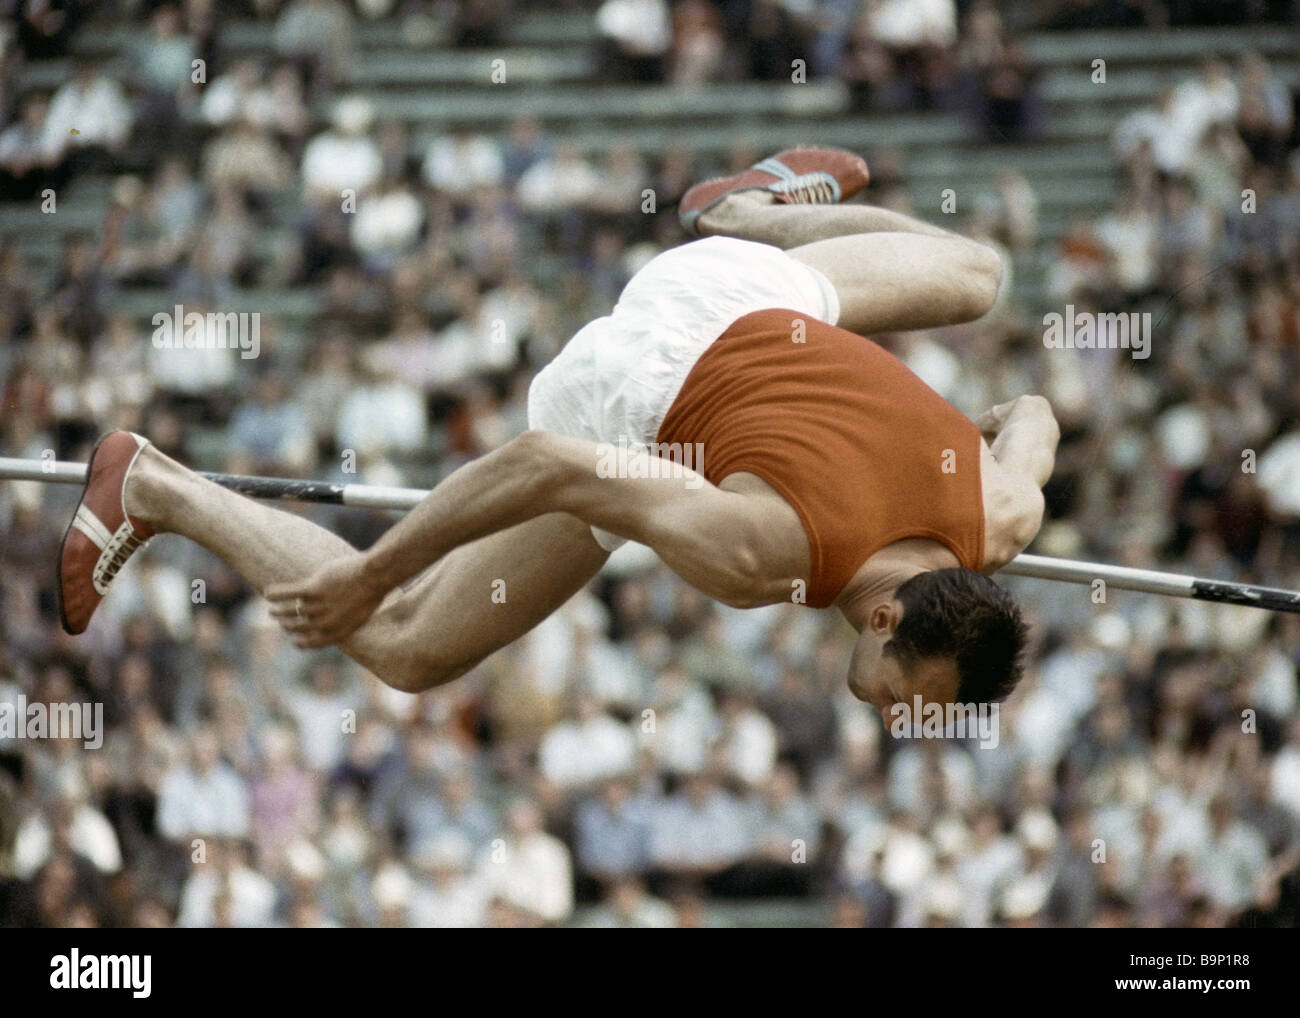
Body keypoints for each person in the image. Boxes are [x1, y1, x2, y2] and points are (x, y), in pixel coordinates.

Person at [57, 148, 1058, 720]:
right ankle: (157, 488)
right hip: (644, 374)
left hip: (751, 293)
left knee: (978, 276)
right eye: (911, 702)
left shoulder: (1005, 506)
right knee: (405, 642)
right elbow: (547, 465)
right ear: (886, 623)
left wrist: (947, 437)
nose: (901, 719)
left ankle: (750, 212)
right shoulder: (762, 554)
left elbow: (1033, 415)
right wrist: (372, 572)